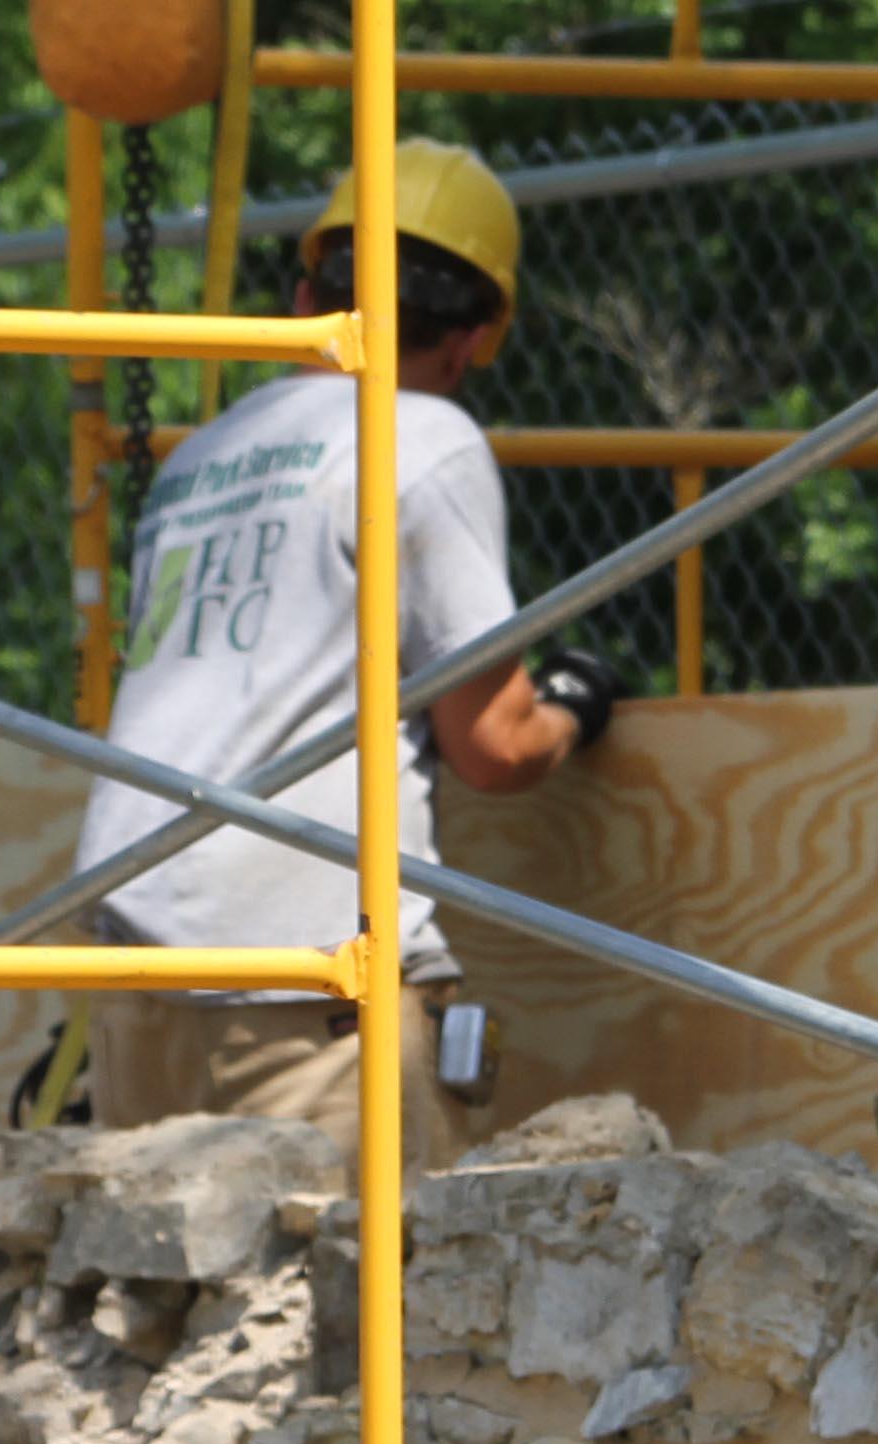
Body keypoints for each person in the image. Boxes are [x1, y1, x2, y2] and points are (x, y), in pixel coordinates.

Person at [75, 139, 617, 1161]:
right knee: (374, 1292)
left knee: (162, 1309)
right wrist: (575, 703)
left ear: (302, 301)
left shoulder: (202, 458)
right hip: (303, 965)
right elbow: (494, 744)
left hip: (132, 947)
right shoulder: (422, 436)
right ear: (470, 343)